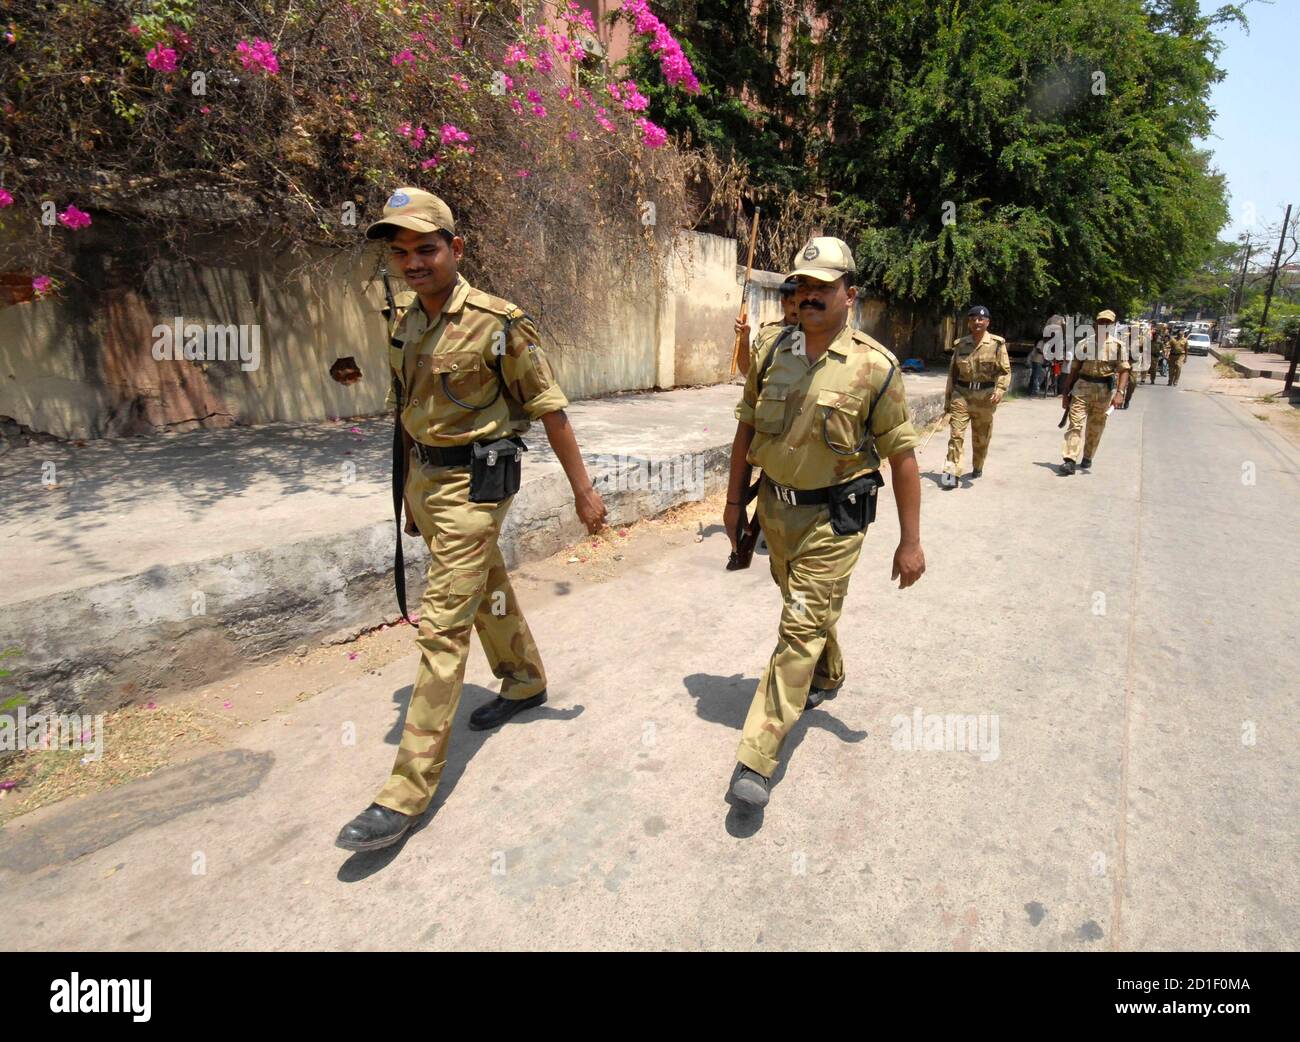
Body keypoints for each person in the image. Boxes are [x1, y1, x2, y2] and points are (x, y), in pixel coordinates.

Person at [336, 187, 608, 852]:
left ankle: (404, 794)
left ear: (455, 248)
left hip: (478, 484)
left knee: (442, 628)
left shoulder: (499, 322)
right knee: (484, 586)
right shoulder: (407, 322)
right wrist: (408, 498)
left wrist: (583, 492)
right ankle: (524, 679)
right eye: (400, 253)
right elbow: (407, 415)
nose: (413, 262)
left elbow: (549, 408)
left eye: (425, 249)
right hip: (427, 483)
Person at [724, 236, 926, 808]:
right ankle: (828, 672)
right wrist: (735, 504)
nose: (810, 295)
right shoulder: (771, 351)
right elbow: (745, 428)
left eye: (824, 287)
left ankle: (756, 758)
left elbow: (903, 459)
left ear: (849, 295)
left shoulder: (875, 367)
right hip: (775, 511)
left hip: (834, 521)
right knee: (805, 609)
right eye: (804, 286)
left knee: (798, 627)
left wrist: (911, 542)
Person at [940, 305, 1011, 487]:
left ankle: (978, 465)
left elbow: (1004, 371)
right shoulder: (961, 344)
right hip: (961, 395)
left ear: (987, 322)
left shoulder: (997, 344)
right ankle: (951, 473)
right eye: (973, 319)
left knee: (981, 438)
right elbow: (952, 375)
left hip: (985, 398)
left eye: (981, 319)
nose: (977, 322)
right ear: (969, 323)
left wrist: (1000, 390)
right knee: (956, 435)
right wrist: (948, 400)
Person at [1059, 308, 1131, 475]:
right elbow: (1074, 369)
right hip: (1082, 388)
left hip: (1103, 392)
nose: (1104, 325)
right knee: (1075, 424)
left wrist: (1120, 392)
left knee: (1095, 427)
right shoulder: (1084, 344)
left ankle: (1088, 456)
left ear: (1112, 325)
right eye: (1101, 322)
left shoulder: (1118, 346)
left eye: (1108, 323)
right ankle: (1069, 460)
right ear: (1095, 324)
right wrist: (1065, 392)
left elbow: (1124, 370)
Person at [734, 278, 799, 376]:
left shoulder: (816, 336)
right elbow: (747, 371)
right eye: (792, 303)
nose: (796, 310)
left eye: (800, 305)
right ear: (783, 302)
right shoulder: (767, 333)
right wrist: (744, 341)